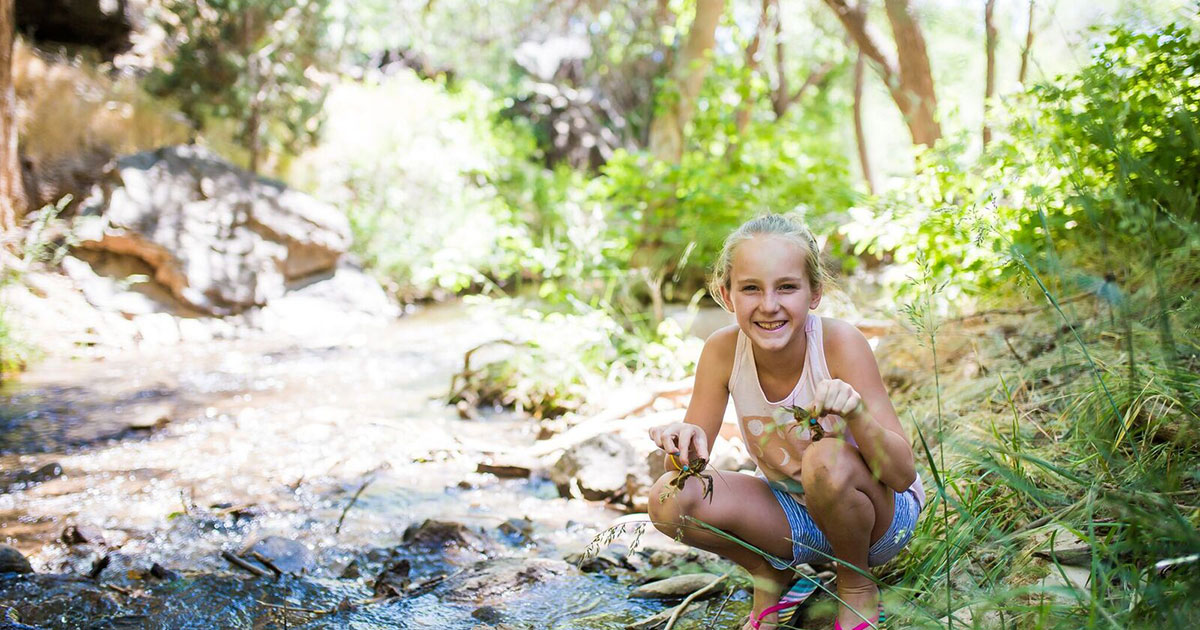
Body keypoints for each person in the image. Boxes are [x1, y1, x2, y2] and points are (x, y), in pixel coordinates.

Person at [647, 213, 925, 630]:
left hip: (878, 521)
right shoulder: (722, 352)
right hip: (794, 517)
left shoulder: (840, 344)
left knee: (824, 458)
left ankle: (855, 584)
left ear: (815, 292)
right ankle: (770, 574)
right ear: (727, 295)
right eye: (751, 288)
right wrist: (679, 443)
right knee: (667, 498)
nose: (769, 305)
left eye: (787, 287)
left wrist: (856, 415)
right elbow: (687, 471)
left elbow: (901, 475)